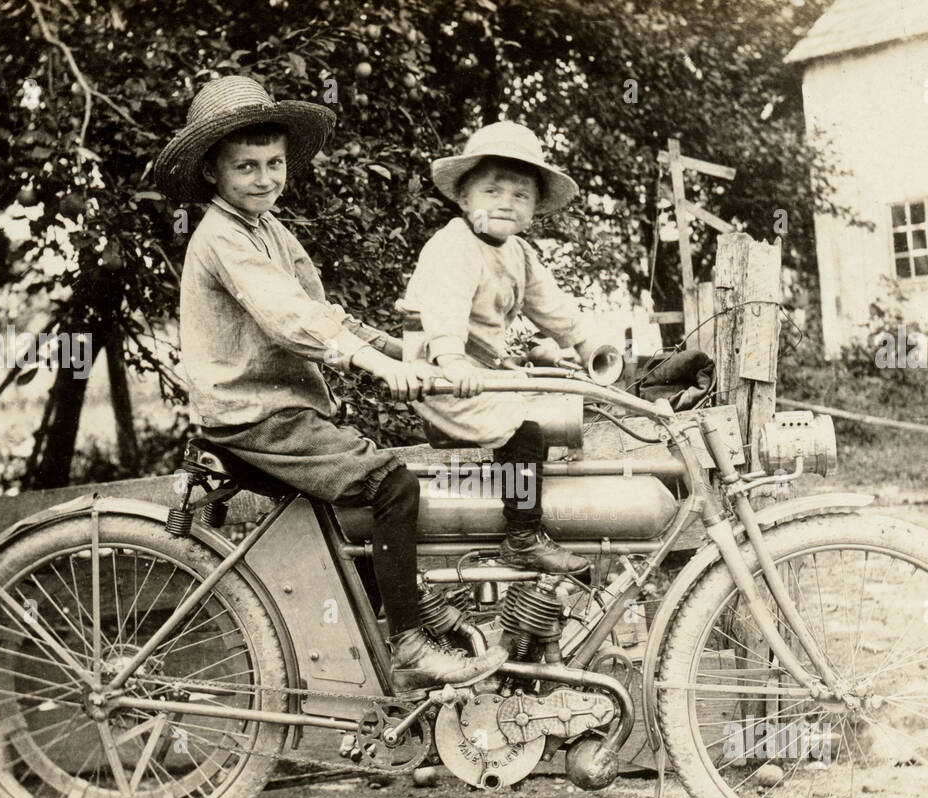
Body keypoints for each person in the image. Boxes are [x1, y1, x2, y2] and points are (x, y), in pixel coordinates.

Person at [155, 76, 505, 693]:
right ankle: (411, 647)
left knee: (355, 510)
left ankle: (412, 611)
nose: (265, 179)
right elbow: (289, 319)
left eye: (275, 164)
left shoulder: (267, 228)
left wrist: (403, 353)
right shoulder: (221, 237)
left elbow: (323, 311)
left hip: (283, 409)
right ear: (212, 172)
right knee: (392, 484)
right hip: (254, 417)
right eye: (246, 167)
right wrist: (375, 368)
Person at [403, 121, 619, 575]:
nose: (505, 203)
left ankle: (558, 516)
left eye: (520, 196)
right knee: (526, 432)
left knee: (565, 416)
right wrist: (451, 358)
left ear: (534, 209)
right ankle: (521, 536)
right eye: (492, 191)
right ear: (464, 199)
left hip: (484, 371)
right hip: (441, 374)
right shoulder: (453, 246)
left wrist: (585, 344)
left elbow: (553, 307)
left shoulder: (518, 252)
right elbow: (445, 308)